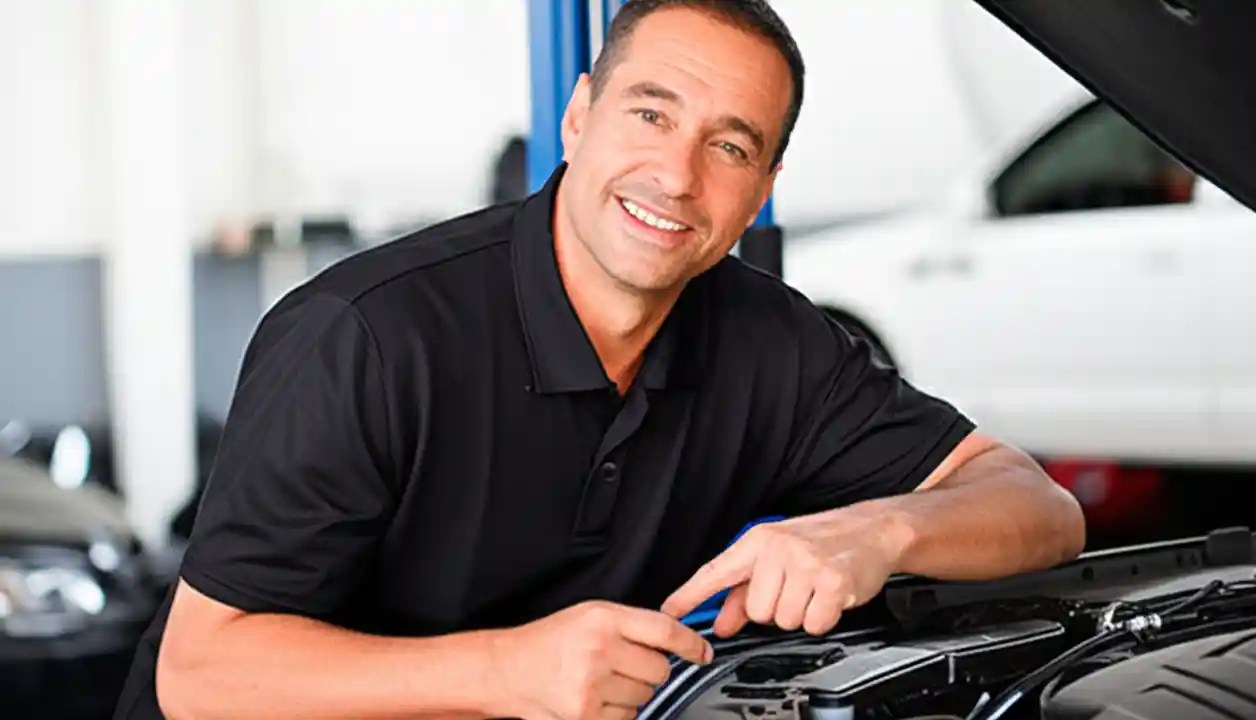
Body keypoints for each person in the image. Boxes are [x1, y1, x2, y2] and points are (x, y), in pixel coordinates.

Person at [114, 2, 1086, 718]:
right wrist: (509, 673)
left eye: (729, 147)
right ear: (579, 117)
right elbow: (202, 675)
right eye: (650, 115)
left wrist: (878, 533)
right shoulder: (364, 337)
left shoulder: (770, 342)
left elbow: (1038, 507)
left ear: (763, 189)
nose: (676, 175)